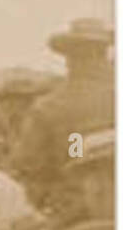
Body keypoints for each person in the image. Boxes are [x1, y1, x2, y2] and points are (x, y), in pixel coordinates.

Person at [10, 18, 114, 218]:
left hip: (73, 211)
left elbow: (27, 168)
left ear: (69, 59)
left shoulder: (48, 108)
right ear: (103, 53)